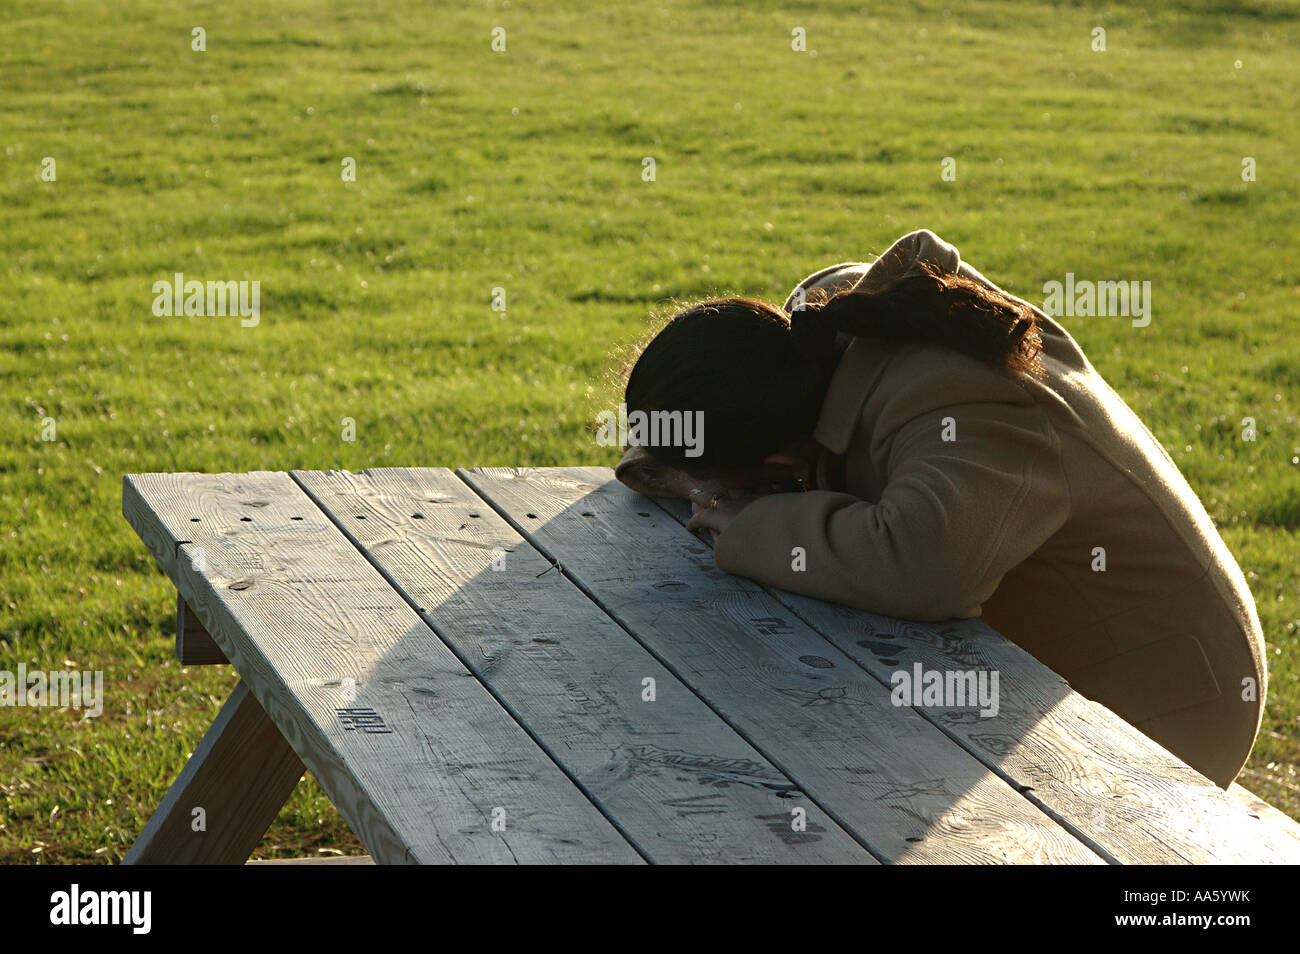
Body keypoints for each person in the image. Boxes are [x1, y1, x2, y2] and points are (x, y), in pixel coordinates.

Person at [613, 229, 1265, 788]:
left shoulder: (955, 399)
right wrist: (698, 480)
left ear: (781, 465)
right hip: (1036, 664)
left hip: (1167, 696)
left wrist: (751, 524)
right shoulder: (819, 338)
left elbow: (927, 563)